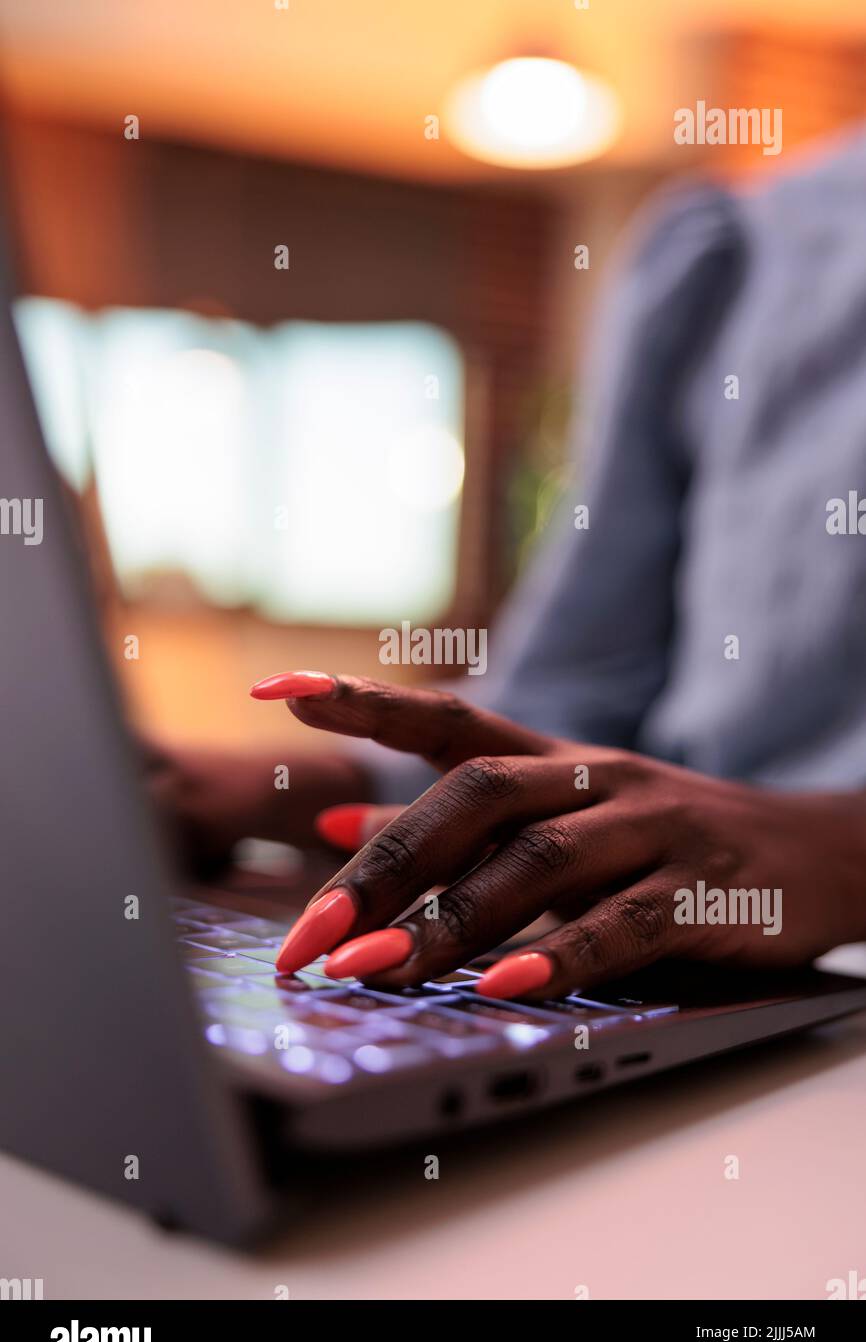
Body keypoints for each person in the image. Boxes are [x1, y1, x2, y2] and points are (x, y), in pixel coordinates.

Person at [150, 127, 866, 1000]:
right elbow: (573, 697)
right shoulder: (744, 246)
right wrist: (295, 786)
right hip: (692, 973)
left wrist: (845, 856)